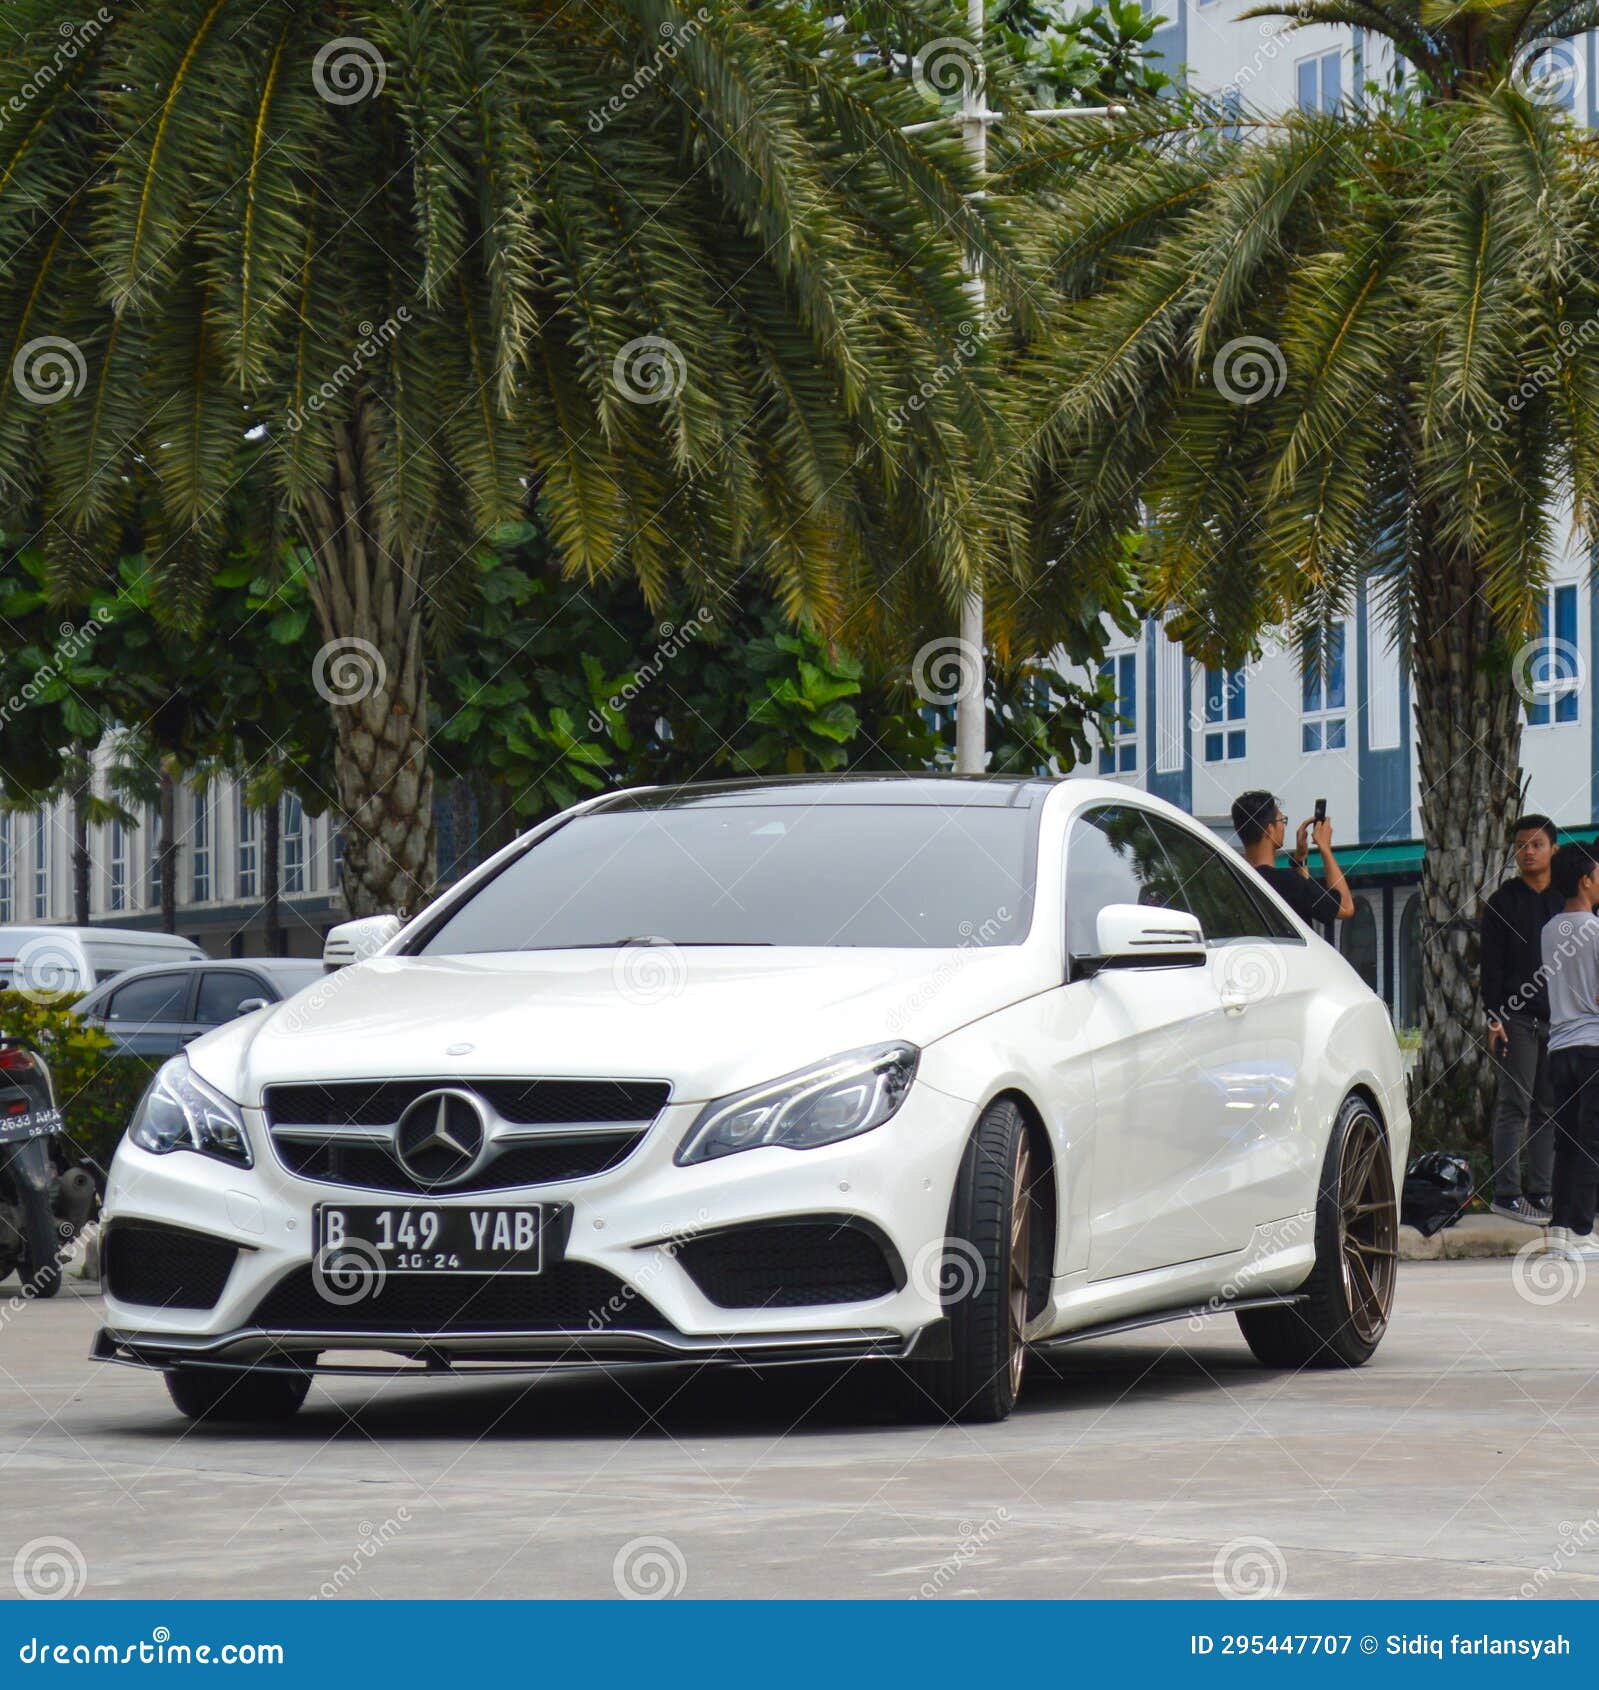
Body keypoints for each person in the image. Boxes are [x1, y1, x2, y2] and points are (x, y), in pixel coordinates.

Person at [1481, 814, 1563, 1224]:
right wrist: (1493, 1018)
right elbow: (1490, 966)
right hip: (1515, 1019)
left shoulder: (1565, 899)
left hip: (1559, 1020)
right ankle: (1507, 1193)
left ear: (1554, 850)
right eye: (1520, 845)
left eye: (1536, 844)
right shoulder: (1503, 901)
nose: (1527, 852)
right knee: (1515, 1105)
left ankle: (1542, 1191)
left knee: (1549, 1107)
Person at [1541, 843, 1599, 1261]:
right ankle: (1582, 1229)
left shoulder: (1549, 930)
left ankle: (1559, 1229)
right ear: (1585, 880)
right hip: (1594, 1045)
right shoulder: (1595, 931)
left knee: (1566, 1141)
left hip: (1559, 1046)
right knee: (1591, 1141)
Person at [1231, 790, 1355, 927]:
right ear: (1269, 829)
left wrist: (1301, 860)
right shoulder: (1287, 881)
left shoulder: (1235, 880)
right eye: (1282, 820)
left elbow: (1301, 898)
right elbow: (1345, 907)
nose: (1283, 827)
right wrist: (1325, 847)